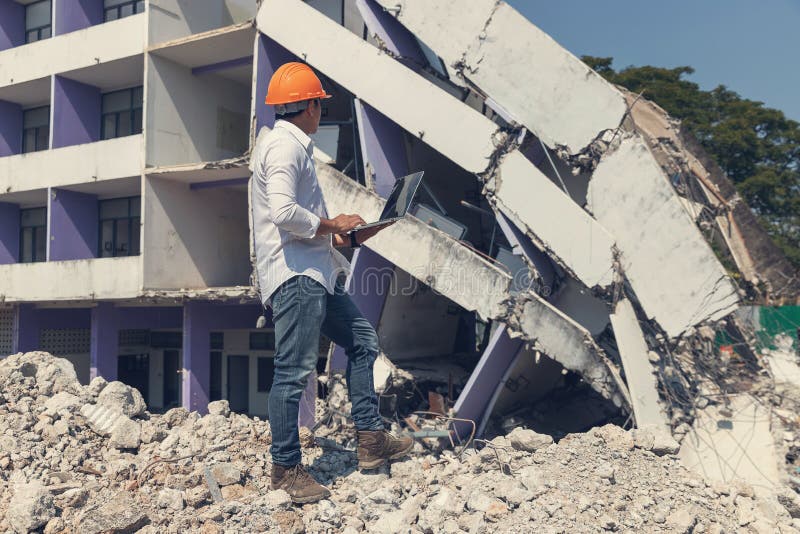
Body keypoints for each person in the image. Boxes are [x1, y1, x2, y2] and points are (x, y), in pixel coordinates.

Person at [251, 62, 414, 504]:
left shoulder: (288, 146)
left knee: (362, 340)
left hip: (315, 273)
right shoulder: (285, 148)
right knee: (293, 371)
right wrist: (332, 221)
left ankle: (370, 441)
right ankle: (285, 471)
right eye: (319, 103)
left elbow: (305, 226)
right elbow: (284, 214)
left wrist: (350, 234)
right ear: (308, 106)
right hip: (297, 278)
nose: (320, 111)